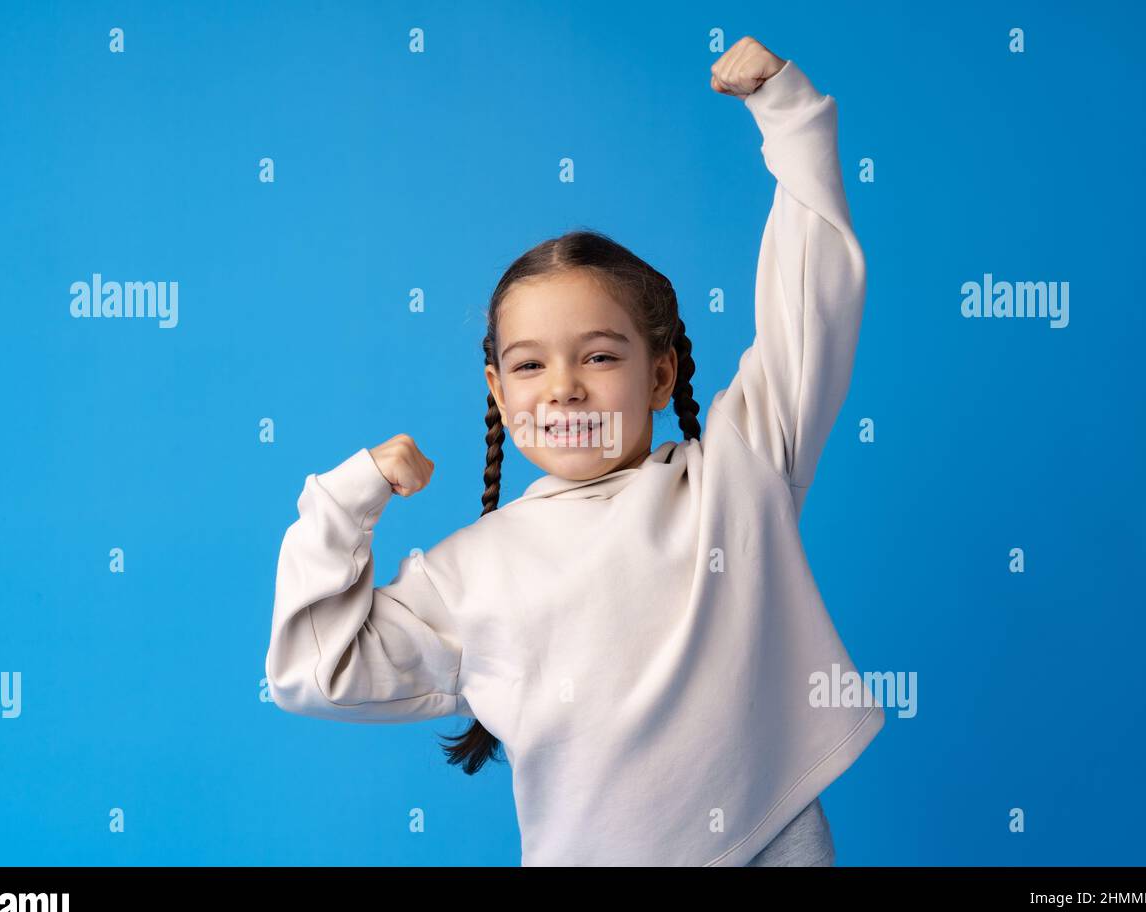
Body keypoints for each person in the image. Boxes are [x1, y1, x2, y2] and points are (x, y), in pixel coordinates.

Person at [266, 36, 882, 866]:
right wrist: (347, 502)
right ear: (498, 392)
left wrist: (789, 116)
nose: (562, 388)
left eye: (598, 355)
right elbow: (315, 670)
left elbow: (814, 309)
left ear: (660, 373)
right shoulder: (471, 572)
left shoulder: (737, 475)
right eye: (529, 365)